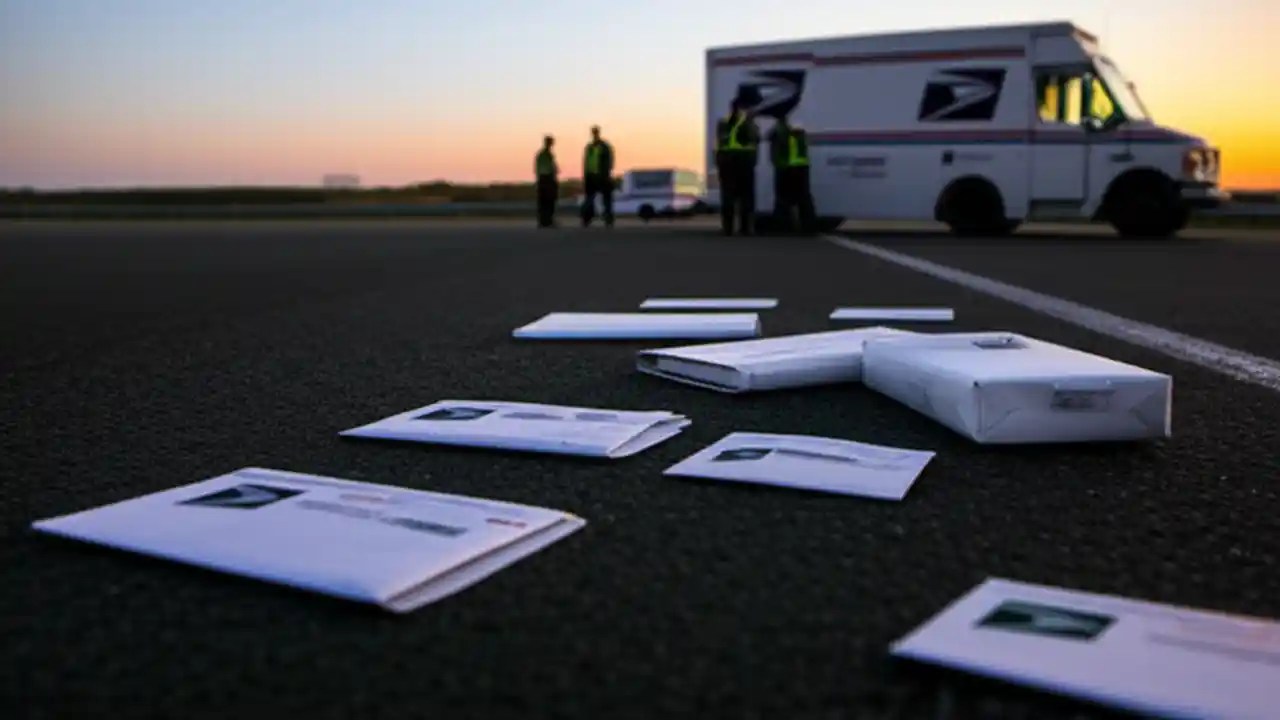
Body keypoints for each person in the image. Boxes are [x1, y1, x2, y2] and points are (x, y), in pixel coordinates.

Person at [714, 97, 759, 236]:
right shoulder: (747, 123)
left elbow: (719, 142)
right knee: (746, 196)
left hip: (726, 163)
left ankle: (728, 228)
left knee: (727, 197)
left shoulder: (723, 123)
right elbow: (755, 138)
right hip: (744, 162)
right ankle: (745, 228)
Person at [768, 116, 816, 234]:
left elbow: (774, 142)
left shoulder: (780, 133)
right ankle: (808, 227)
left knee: (783, 199)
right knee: (804, 199)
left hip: (786, 168)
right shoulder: (800, 134)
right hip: (802, 168)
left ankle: (783, 227)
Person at [581, 125, 615, 227]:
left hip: (598, 176)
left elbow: (609, 161)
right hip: (593, 176)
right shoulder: (592, 147)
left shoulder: (600, 147)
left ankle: (606, 217)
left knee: (602, 199)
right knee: (593, 199)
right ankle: (588, 218)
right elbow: (586, 163)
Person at [534, 135, 559, 228]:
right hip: (548, 179)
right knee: (549, 201)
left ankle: (543, 221)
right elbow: (552, 168)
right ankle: (548, 220)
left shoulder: (540, 154)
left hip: (541, 179)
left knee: (542, 201)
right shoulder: (547, 154)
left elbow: (537, 168)